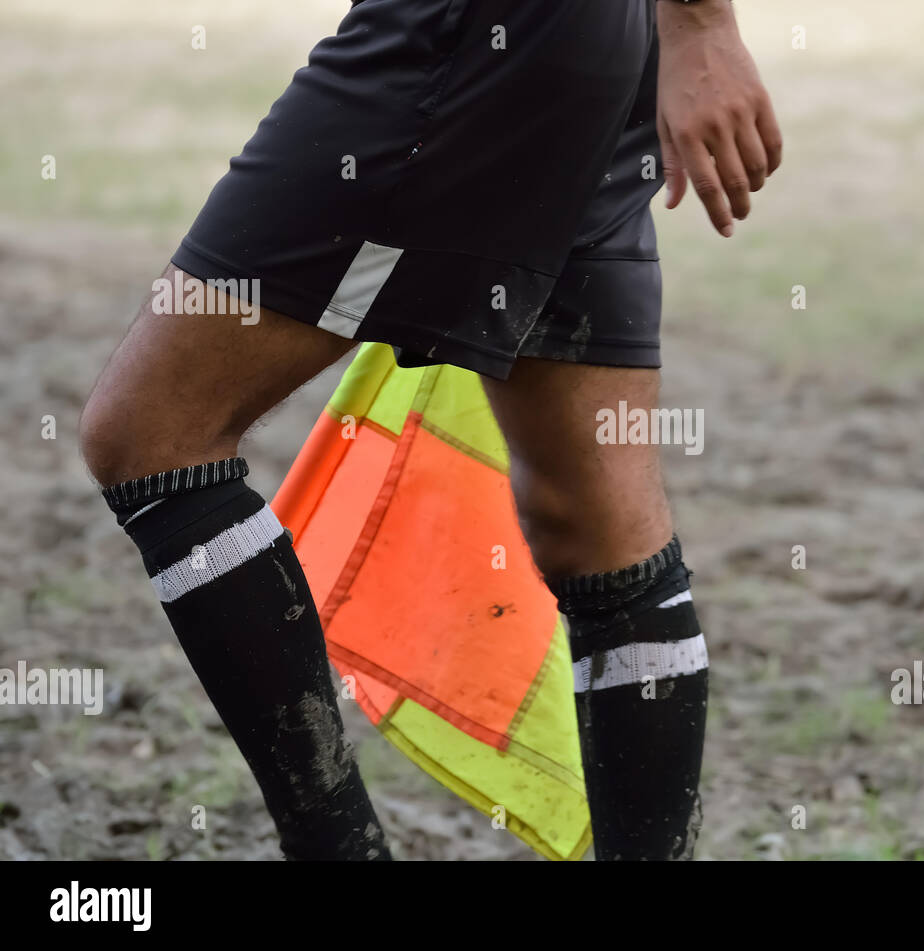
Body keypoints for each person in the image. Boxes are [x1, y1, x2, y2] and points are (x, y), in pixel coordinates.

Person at [79, 0, 781, 861]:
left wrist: (702, 21)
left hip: (484, 33)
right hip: (585, 45)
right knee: (596, 526)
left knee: (151, 431)